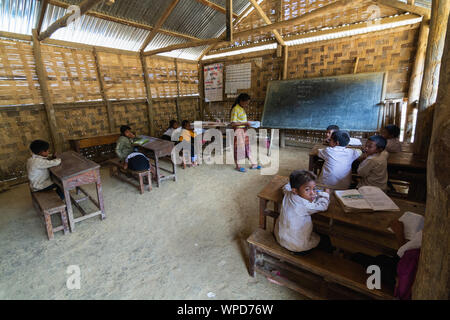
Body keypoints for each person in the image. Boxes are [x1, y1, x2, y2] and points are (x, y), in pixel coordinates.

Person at [351, 219, 422, 300]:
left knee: (357, 257)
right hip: (400, 272)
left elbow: (403, 260)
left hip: (397, 275)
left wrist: (399, 234)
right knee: (375, 259)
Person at [274, 170, 334, 254]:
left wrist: (293, 183)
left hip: (281, 238)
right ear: (295, 190)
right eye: (307, 190)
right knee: (325, 239)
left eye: (314, 188)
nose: (312, 193)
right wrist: (326, 194)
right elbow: (323, 206)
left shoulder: (288, 193)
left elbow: (285, 187)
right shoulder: (305, 205)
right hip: (297, 247)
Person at [229, 93, 260, 172]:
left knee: (247, 147)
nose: (247, 104)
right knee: (238, 148)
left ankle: (253, 164)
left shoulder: (241, 108)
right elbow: (233, 123)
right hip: (238, 131)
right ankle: (238, 166)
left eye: (248, 103)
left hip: (244, 130)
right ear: (241, 101)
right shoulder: (235, 109)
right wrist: (245, 123)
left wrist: (250, 122)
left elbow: (242, 120)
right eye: (246, 102)